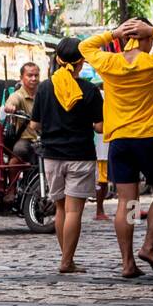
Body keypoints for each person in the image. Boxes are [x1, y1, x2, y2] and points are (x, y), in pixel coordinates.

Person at [79, 18, 153, 277]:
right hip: (148, 139)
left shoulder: (109, 63)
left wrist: (113, 33)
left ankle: (127, 262)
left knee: (128, 201)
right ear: (147, 38)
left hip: (119, 141)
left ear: (125, 39)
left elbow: (84, 47)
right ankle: (148, 247)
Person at [30, 38, 104, 273]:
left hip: (52, 156)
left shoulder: (44, 87)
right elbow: (100, 127)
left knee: (61, 209)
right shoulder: (90, 90)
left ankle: (67, 259)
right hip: (80, 155)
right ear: (81, 62)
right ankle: (66, 261)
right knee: (74, 211)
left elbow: (34, 125)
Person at [1, 62, 41, 202]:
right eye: (30, 75)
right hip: (26, 139)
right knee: (18, 152)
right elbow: (12, 101)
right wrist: (10, 107)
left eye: (36, 75)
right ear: (22, 77)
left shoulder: (43, 94)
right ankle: (11, 190)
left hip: (44, 139)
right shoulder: (18, 95)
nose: (33, 78)